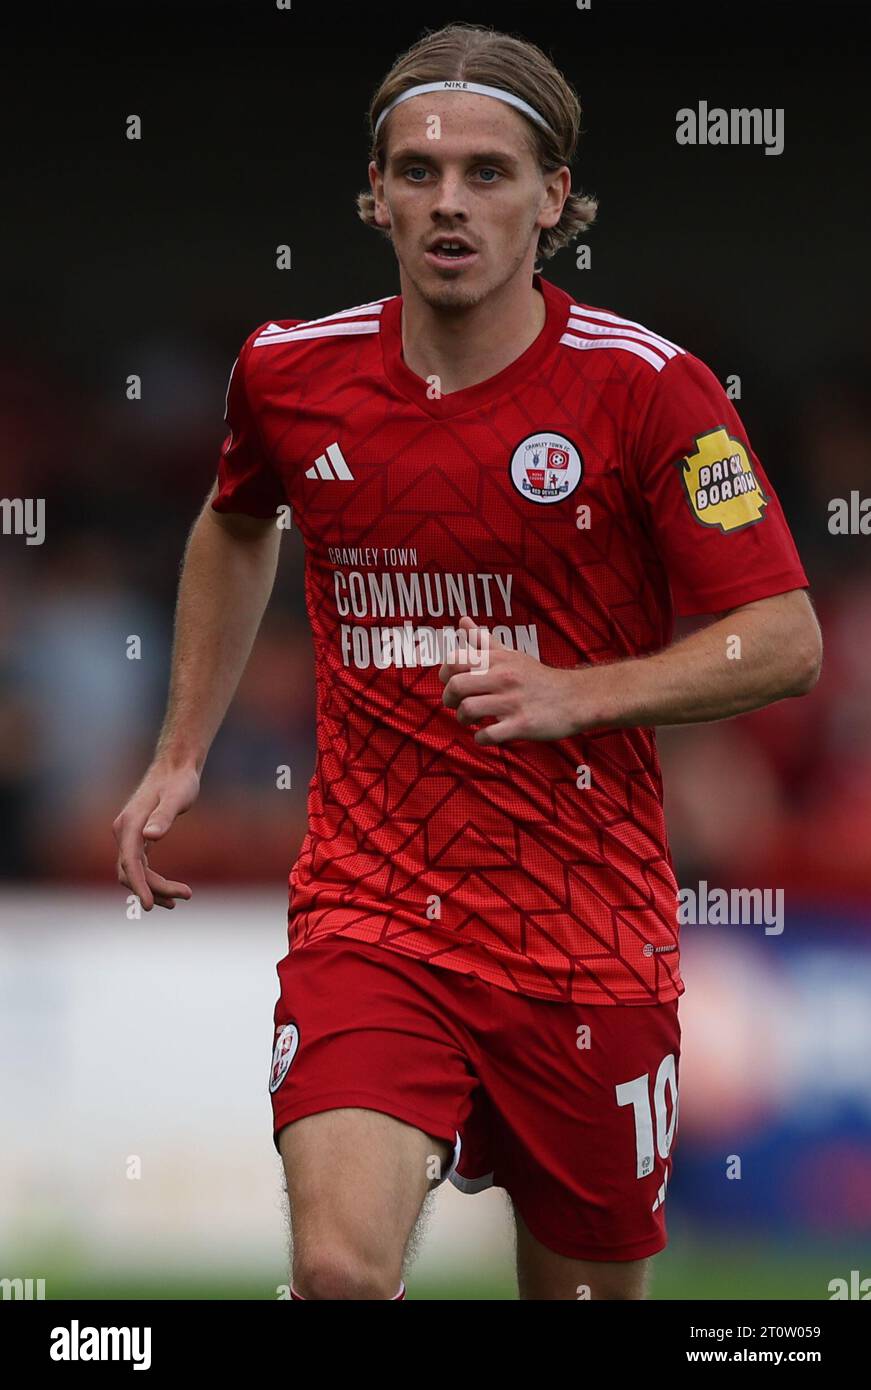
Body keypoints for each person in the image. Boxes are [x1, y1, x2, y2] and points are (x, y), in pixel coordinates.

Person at [112, 22, 822, 1300]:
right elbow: (234, 518)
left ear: (554, 199)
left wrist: (578, 692)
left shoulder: (649, 391)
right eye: (419, 170)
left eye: (489, 172)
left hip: (584, 934)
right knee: (336, 1271)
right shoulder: (289, 373)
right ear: (374, 195)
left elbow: (781, 640)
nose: (451, 200)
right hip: (369, 909)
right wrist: (179, 751)